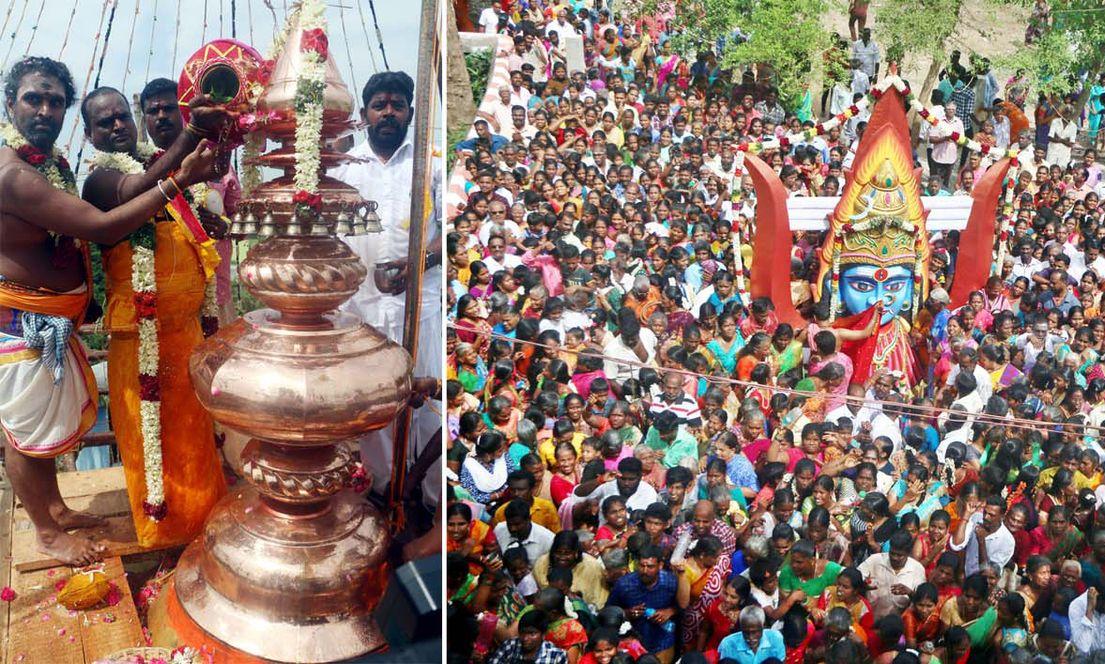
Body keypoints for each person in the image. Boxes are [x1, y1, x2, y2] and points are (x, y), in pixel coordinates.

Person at [0, 56, 218, 565]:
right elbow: (99, 228)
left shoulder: (47, 165)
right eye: (35, 98)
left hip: (55, 318)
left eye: (55, 100)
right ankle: (48, 534)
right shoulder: (14, 175)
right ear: (10, 104)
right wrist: (179, 176)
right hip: (19, 320)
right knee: (26, 434)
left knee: (42, 428)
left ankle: (55, 508)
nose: (46, 109)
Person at [81, 85, 228, 547]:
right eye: (105, 122)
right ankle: (164, 542)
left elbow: (194, 224)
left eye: (122, 116)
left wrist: (207, 215)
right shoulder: (101, 179)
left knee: (195, 438)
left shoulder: (153, 163)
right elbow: (137, 191)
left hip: (185, 333)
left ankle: (203, 532)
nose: (118, 126)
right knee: (154, 446)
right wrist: (193, 135)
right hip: (139, 337)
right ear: (88, 135)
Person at [330, 71, 443, 502]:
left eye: (398, 105)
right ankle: (380, 491)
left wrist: (419, 263)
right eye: (380, 105)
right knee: (373, 402)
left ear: (412, 112)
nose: (389, 113)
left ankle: (430, 499)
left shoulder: (430, 162)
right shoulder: (347, 170)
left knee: (427, 398)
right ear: (365, 114)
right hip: (363, 306)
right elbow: (335, 242)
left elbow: (448, 231)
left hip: (421, 305)